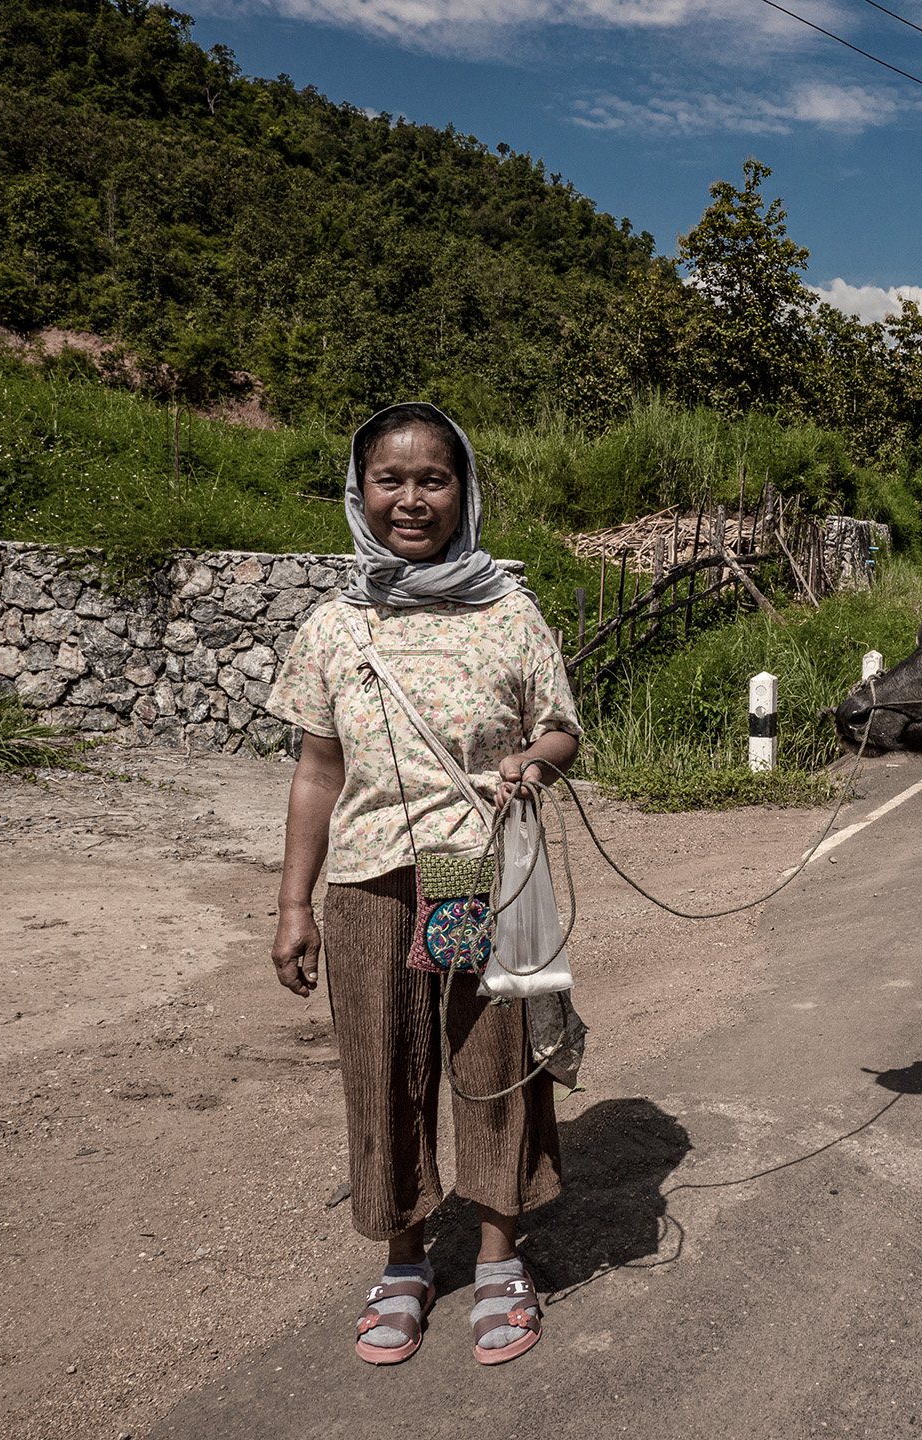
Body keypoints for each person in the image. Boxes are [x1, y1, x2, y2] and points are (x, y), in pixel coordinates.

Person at [266, 401, 580, 1367]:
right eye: (390, 479)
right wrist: (292, 906)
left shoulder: (509, 613)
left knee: (491, 1064)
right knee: (383, 1069)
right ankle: (405, 1260)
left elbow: (562, 729)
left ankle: (496, 1259)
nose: (412, 499)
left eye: (433, 479)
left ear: (464, 490)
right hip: (368, 883)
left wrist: (535, 760)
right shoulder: (332, 626)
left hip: (472, 872)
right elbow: (318, 772)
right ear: (359, 492)